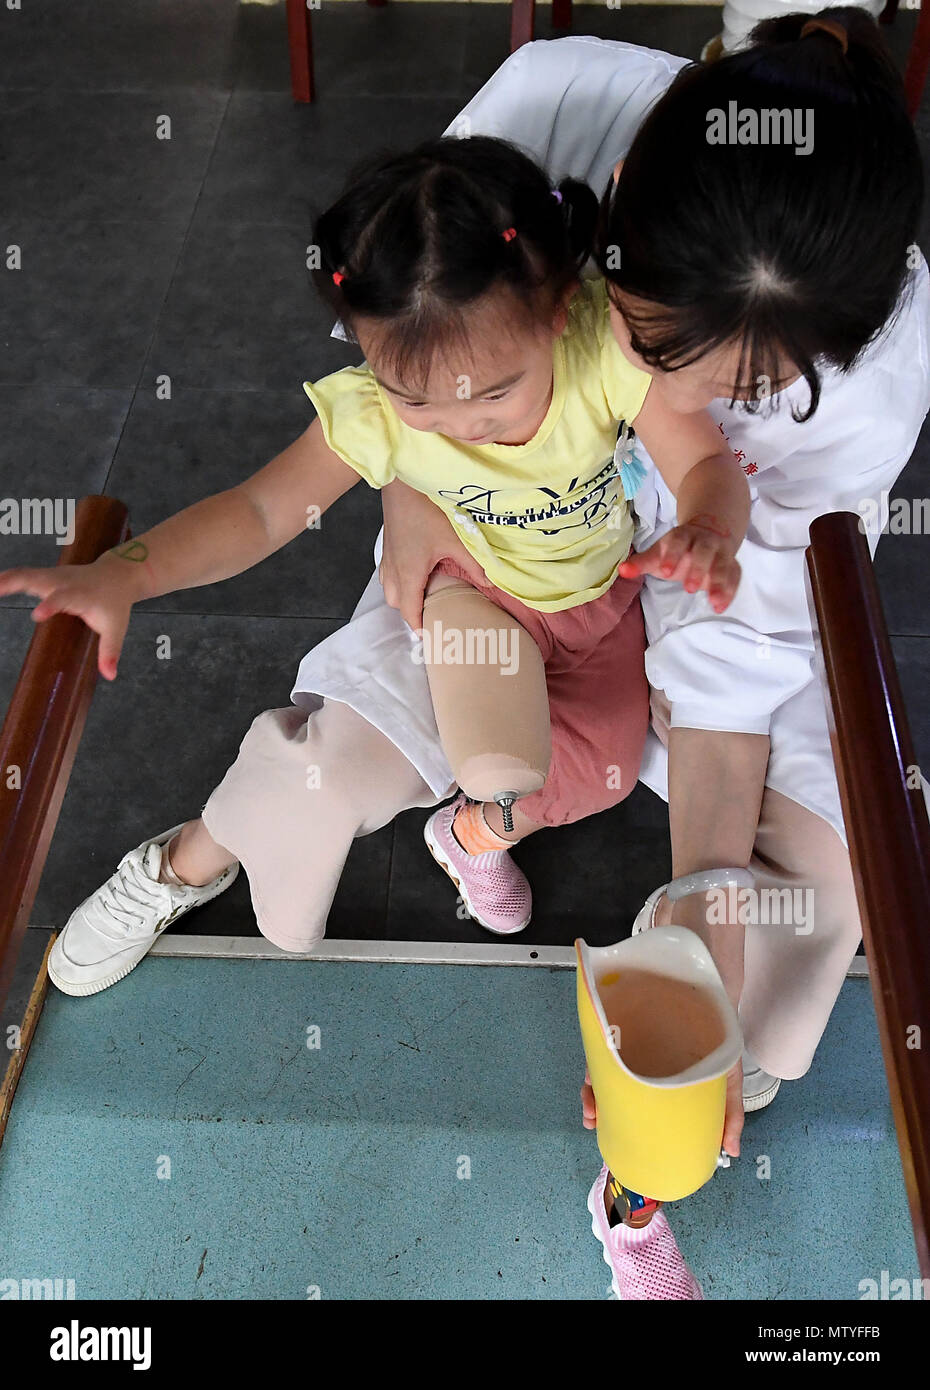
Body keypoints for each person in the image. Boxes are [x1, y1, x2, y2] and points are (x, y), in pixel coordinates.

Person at [373, 10, 929, 1297]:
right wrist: (408, 485)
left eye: (736, 393)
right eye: (656, 345)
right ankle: (521, 868)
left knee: (800, 971)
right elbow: (408, 333)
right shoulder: (550, 103)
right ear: (618, 194)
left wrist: (705, 930)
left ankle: (651, 1148)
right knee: (463, 752)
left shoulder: (866, 384)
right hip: (516, 515)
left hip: (716, 588)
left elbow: (744, 636)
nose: (684, 405)